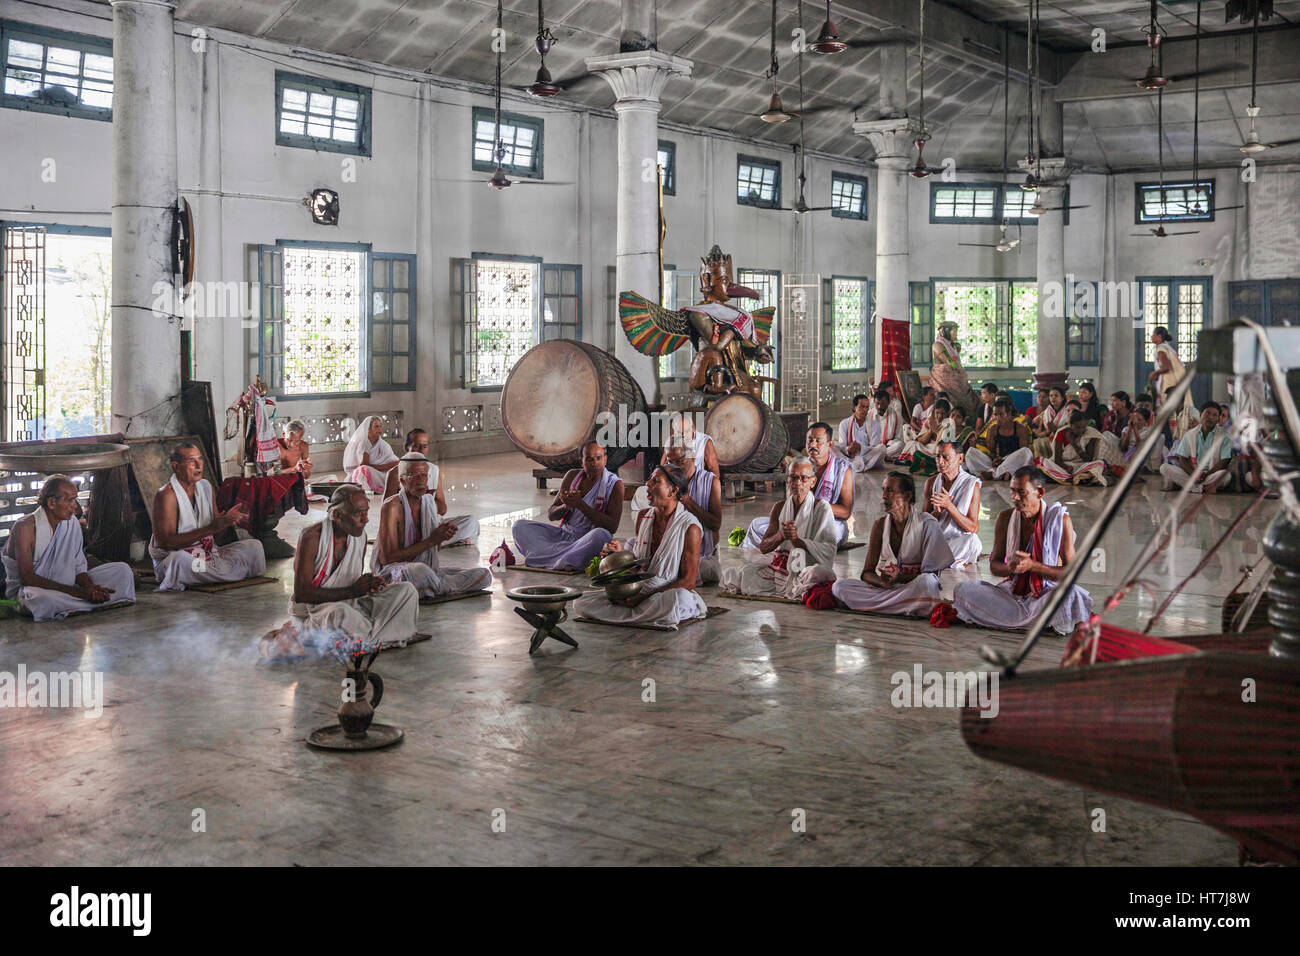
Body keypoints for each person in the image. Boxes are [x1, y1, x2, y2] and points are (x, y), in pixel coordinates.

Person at [952, 467, 1093, 634]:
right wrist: (1009, 568)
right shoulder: (1005, 518)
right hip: (1012, 592)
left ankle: (1013, 620)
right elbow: (995, 565)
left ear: (1039, 492)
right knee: (963, 590)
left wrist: (1033, 566)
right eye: (1012, 491)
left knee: (1072, 595)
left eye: (1021, 492)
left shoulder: (1060, 520)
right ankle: (1038, 622)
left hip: (1044, 593)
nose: (1015, 497)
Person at [283, 484, 419, 650]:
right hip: (316, 612)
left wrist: (368, 585)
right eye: (358, 513)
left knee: (406, 591)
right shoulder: (311, 537)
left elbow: (351, 581)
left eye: (366, 512)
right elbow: (302, 594)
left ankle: (366, 639)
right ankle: (380, 636)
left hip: (350, 603)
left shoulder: (359, 537)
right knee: (340, 614)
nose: (365, 519)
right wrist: (353, 591)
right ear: (337, 515)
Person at [573, 465, 706, 628]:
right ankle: (638, 614)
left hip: (666, 593)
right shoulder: (644, 517)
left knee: (675, 603)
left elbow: (689, 581)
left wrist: (643, 597)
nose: (648, 484)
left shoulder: (690, 527)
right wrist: (618, 557)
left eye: (655, 481)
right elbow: (637, 569)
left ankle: (631, 612)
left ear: (672, 491)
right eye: (650, 479)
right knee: (580, 602)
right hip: (639, 589)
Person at [2, 476, 135, 622]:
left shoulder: (71, 523)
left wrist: (90, 587)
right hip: (31, 591)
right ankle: (88, 603)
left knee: (123, 571)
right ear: (52, 503)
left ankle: (76, 605)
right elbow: (27, 578)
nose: (75, 506)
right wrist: (81, 593)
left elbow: (78, 568)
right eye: (69, 500)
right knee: (41, 600)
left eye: (75, 499)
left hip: (68, 588)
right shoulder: (24, 527)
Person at [149, 441, 266, 591]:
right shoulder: (166, 495)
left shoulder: (205, 486)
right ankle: (226, 575)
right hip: (175, 559)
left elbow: (215, 535)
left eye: (200, 459)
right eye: (192, 461)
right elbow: (166, 543)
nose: (199, 466)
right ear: (176, 466)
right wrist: (212, 527)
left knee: (254, 547)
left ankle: (216, 576)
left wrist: (226, 522)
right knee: (179, 561)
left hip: (207, 555)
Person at [831, 473, 954, 616]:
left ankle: (880, 605)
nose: (883, 496)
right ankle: (902, 606)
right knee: (839, 586)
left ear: (907, 496)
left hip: (913, 588)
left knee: (926, 583)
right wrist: (882, 583)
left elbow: (932, 575)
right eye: (883, 489)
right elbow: (867, 573)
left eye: (889, 490)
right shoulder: (880, 525)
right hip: (889, 590)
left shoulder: (927, 524)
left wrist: (900, 578)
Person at [373, 455, 493, 599]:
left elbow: (431, 554)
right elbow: (387, 558)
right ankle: (439, 586)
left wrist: (441, 537)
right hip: (394, 572)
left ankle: (437, 587)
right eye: (415, 476)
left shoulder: (428, 502)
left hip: (426, 570)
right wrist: (432, 540)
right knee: (422, 572)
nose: (422, 481)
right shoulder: (392, 506)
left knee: (484, 575)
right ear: (403, 481)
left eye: (424, 475)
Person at [721, 457, 837, 600]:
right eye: (793, 478)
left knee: (818, 573)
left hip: (806, 569)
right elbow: (764, 547)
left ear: (813, 482)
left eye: (804, 478)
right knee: (735, 574)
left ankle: (798, 585)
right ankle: (794, 587)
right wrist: (781, 535)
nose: (797, 483)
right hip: (779, 570)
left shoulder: (822, 508)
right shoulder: (779, 507)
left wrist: (798, 541)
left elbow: (829, 549)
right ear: (787, 480)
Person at [507, 440, 624, 569]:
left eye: (598, 458)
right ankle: (564, 560)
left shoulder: (614, 484)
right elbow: (552, 515)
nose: (595, 463)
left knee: (601, 535)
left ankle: (550, 558)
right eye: (589, 459)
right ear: (582, 462)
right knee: (519, 526)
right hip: (563, 537)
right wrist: (565, 506)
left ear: (605, 459)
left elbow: (612, 527)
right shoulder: (572, 476)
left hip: (587, 540)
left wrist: (581, 505)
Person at [744, 423, 853, 547]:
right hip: (798, 520)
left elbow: (845, 512)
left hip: (828, 522)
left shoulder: (843, 470)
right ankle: (797, 539)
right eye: (810, 440)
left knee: (832, 533)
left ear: (830, 444)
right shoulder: (800, 466)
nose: (812, 445)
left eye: (818, 441)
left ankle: (801, 541)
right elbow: (791, 502)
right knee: (757, 524)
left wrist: (813, 504)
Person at [382, 428, 479, 545]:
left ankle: (432, 541)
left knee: (471, 522)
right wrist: (412, 498)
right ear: (406, 447)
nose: (421, 450)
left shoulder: (433, 470)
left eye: (425, 446)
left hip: (430, 523)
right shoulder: (395, 473)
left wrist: (427, 500)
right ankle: (431, 542)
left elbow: (443, 509)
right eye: (417, 446)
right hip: (406, 526)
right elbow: (386, 511)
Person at [664, 439, 722, 583]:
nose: (675, 466)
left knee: (709, 571)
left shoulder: (710, 482)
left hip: (702, 554)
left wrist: (690, 504)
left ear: (693, 456)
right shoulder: (665, 481)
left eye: (680, 460)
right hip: (673, 551)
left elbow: (715, 525)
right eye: (670, 462)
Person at [923, 441, 982, 568]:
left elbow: (973, 528)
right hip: (934, 541)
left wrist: (949, 506)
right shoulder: (931, 482)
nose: (940, 461)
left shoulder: (971, 484)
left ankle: (938, 558)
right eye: (937, 457)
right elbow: (922, 525)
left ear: (960, 458)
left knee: (972, 541)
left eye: (945, 457)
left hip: (956, 542)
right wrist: (937, 512)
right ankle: (943, 558)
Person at [1160, 402, 1232, 493]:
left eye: (1215, 415)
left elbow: (1224, 461)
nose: (1210, 417)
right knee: (1164, 468)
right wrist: (1194, 474)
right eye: (1208, 413)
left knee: (1226, 475)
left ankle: (1192, 487)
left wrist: (1205, 475)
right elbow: (1182, 458)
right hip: (1192, 474)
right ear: (1201, 414)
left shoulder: (1224, 437)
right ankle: (1202, 488)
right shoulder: (1189, 434)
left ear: (1218, 419)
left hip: (1210, 475)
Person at [1039, 411, 1122, 486]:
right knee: (1041, 461)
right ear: (1070, 426)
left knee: (1099, 464)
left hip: (1081, 465)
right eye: (1078, 428)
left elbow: (1088, 459)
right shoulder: (1061, 433)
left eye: (1083, 427)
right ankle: (1080, 478)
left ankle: (1073, 477)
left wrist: (1073, 444)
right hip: (1064, 466)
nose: (1081, 430)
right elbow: (1057, 460)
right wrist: (1067, 468)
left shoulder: (1090, 434)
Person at [964, 398, 1033, 480]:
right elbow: (991, 451)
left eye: (1001, 414)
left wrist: (1003, 460)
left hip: (1012, 462)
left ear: (1009, 413)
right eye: (995, 415)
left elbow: (1022, 451)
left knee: (1026, 452)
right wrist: (995, 459)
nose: (997, 418)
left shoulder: (1020, 428)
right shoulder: (993, 429)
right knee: (970, 452)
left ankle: (993, 474)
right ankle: (999, 473)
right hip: (997, 463)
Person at [343, 416, 399, 494]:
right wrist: (387, 466)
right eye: (376, 426)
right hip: (369, 472)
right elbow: (364, 465)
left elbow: (393, 460)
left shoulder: (383, 444)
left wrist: (392, 465)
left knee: (397, 473)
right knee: (363, 470)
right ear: (368, 429)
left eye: (380, 426)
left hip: (383, 472)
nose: (379, 429)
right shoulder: (365, 443)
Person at [834, 393, 886, 472]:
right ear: (854, 407)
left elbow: (874, 447)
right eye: (862, 407)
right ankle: (857, 465)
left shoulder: (875, 424)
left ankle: (854, 466)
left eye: (867, 407)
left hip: (867, 456)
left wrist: (860, 448)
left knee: (882, 448)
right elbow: (842, 445)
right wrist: (849, 448)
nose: (865, 410)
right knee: (831, 447)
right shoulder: (844, 423)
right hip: (850, 455)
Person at [660, 410, 720, 478]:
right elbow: (662, 468)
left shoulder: (705, 442)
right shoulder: (671, 441)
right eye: (679, 432)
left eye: (687, 431)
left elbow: (715, 473)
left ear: (693, 428)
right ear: (674, 431)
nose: (683, 435)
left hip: (697, 482)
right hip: (675, 483)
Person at [1119, 406, 1165, 473]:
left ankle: (1154, 468)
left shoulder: (1149, 430)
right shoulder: (1126, 429)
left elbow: (1139, 445)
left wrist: (1134, 428)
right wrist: (1129, 429)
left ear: (1146, 421)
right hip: (1129, 455)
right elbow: (1123, 447)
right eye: (1134, 418)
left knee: (1161, 437)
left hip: (1142, 454)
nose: (1136, 421)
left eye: (1139, 420)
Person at [1031, 386, 1071, 457]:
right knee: (1037, 443)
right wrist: (1042, 432)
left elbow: (1069, 428)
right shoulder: (1047, 411)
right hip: (1049, 437)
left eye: (1056, 395)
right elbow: (1034, 422)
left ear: (1062, 398)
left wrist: (1055, 429)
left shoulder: (1067, 410)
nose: (1053, 398)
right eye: (1051, 396)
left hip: (1065, 439)